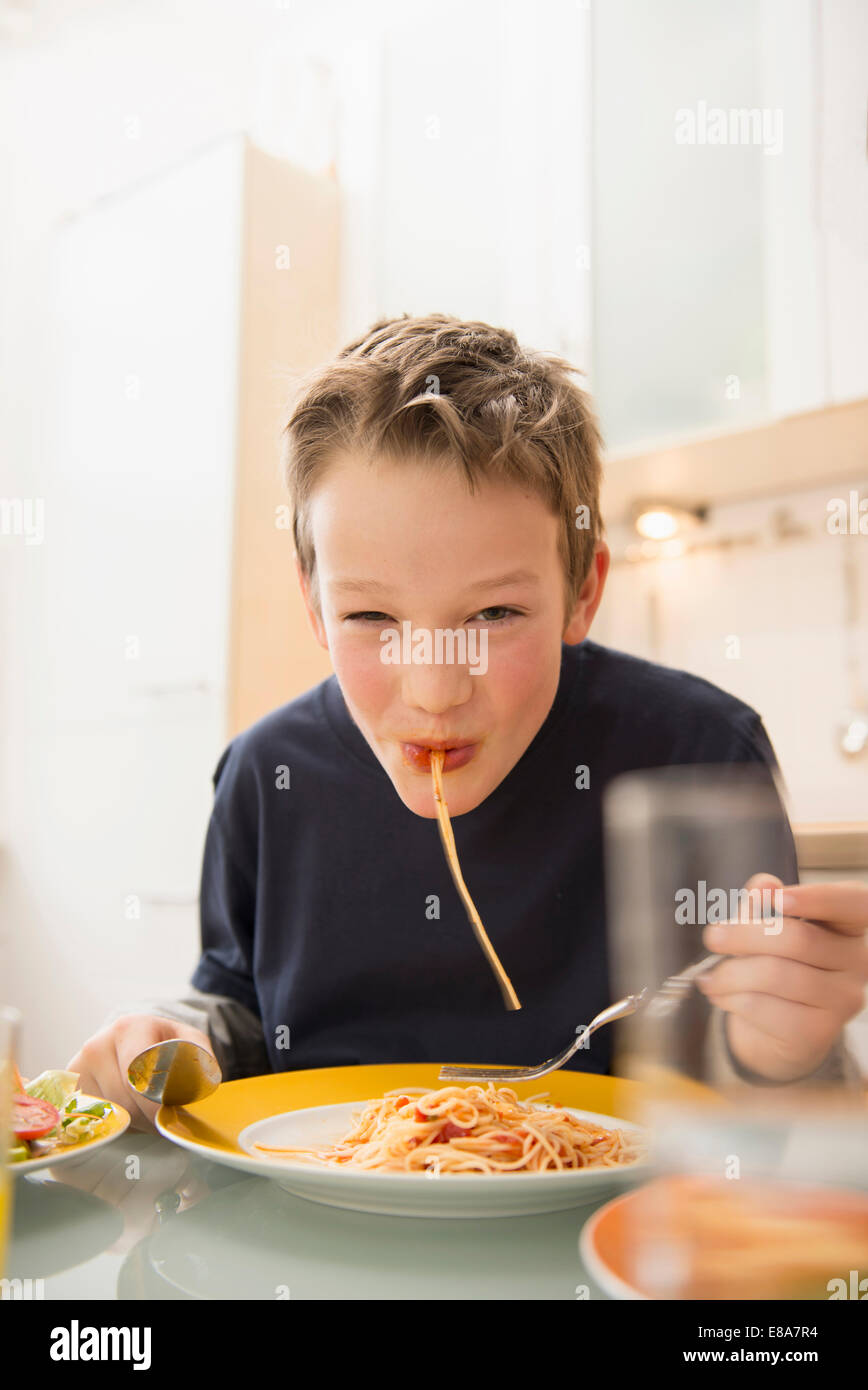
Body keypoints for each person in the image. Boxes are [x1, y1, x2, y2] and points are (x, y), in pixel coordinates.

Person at [66, 313, 868, 1130]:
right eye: (373, 616)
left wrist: (787, 1053)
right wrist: (175, 1042)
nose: (436, 689)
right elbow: (236, 1008)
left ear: (583, 592)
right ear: (314, 605)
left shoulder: (696, 754)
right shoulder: (265, 773)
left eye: (491, 613)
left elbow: (775, 1124)